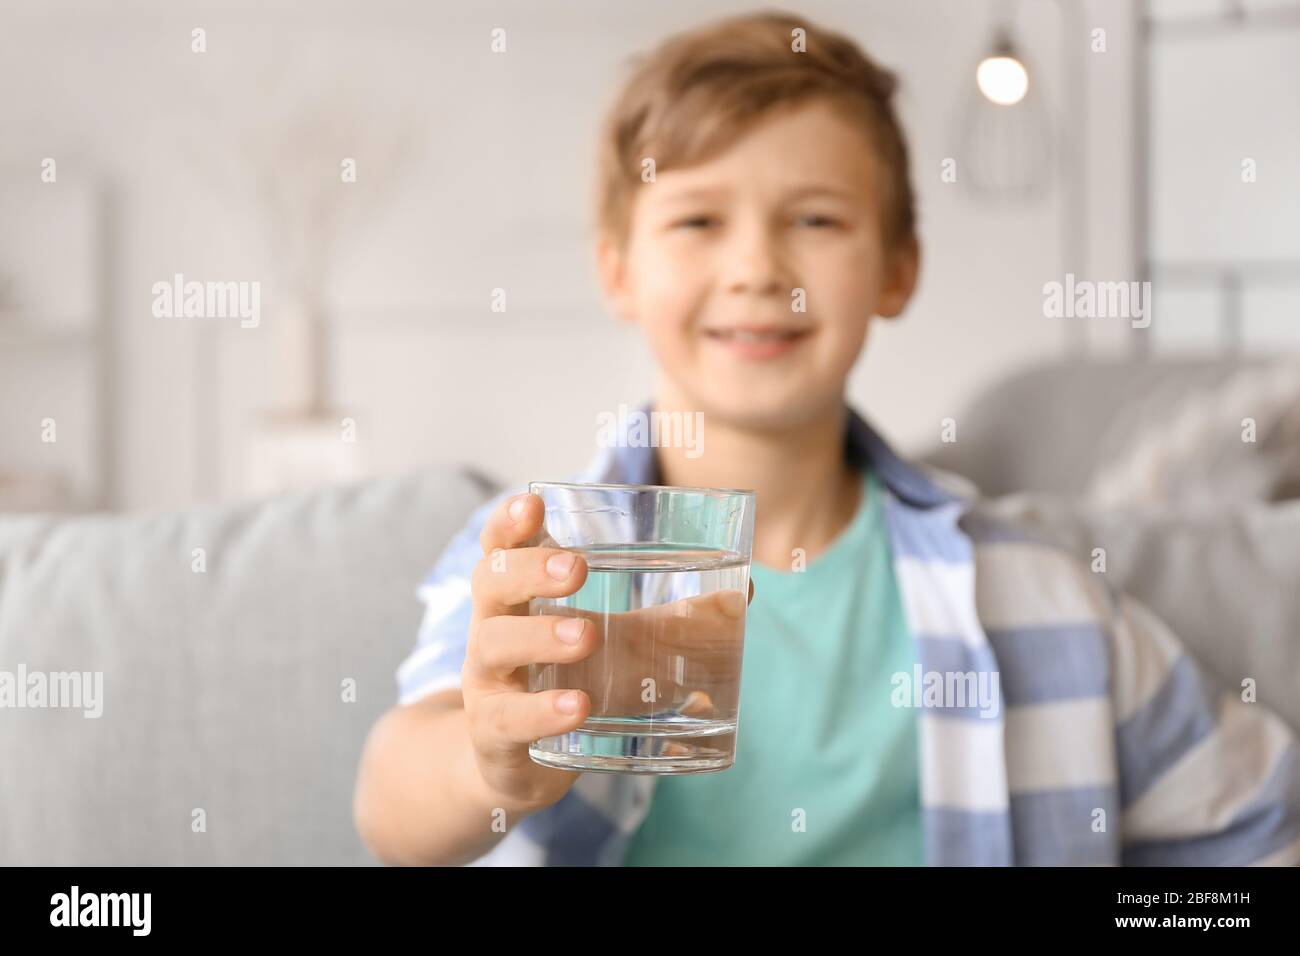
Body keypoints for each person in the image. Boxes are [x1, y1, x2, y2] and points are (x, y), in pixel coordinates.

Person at [353, 10, 1300, 866]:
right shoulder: (539, 561)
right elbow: (394, 805)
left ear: (896, 269)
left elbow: (1261, 825)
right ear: (618, 272)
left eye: (814, 218)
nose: (758, 266)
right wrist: (489, 768)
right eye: (697, 220)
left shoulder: (1040, 597)